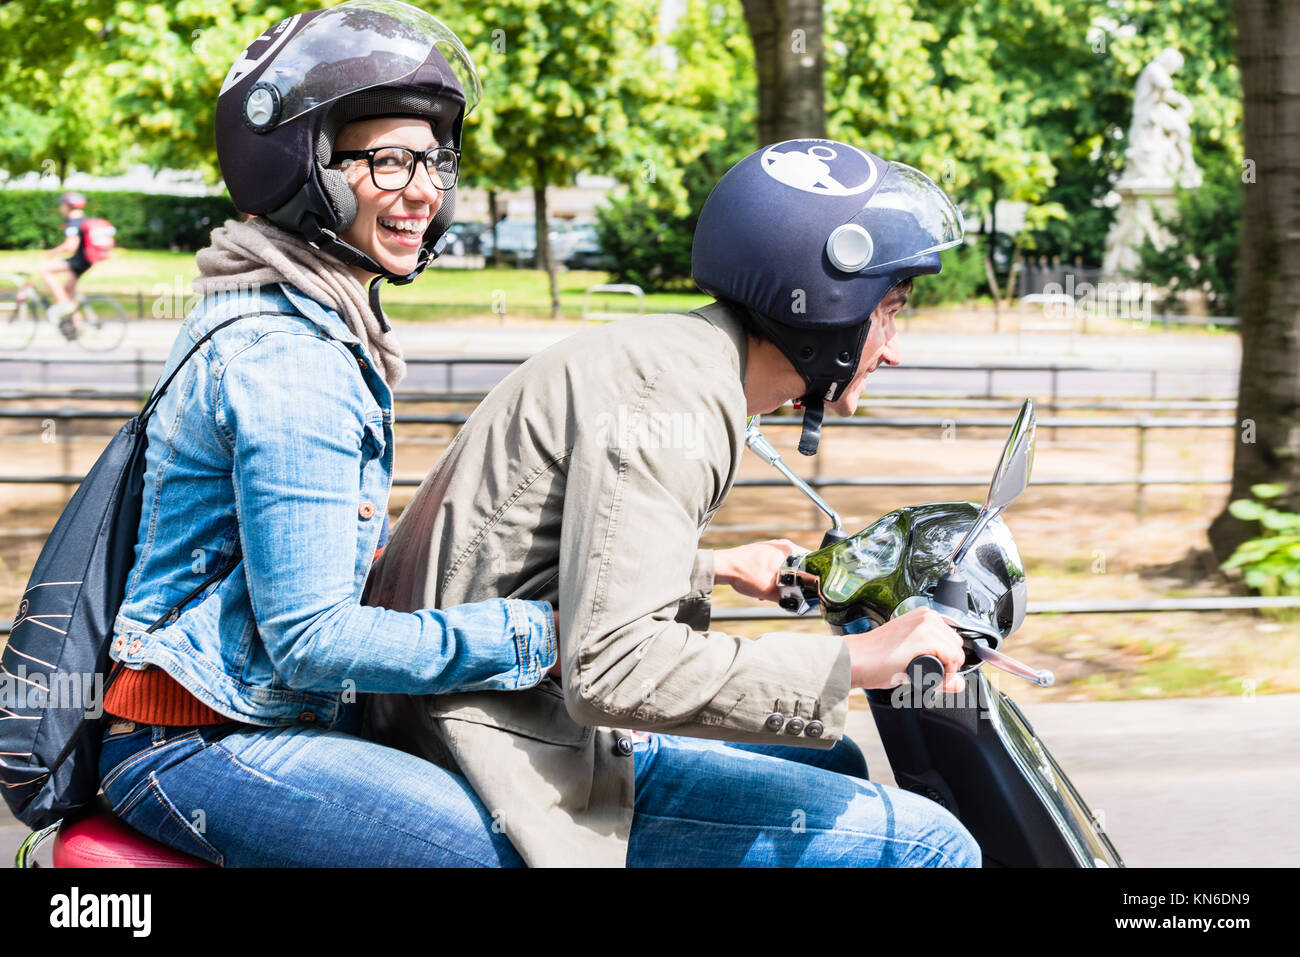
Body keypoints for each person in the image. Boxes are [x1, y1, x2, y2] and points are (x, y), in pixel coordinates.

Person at [364, 138, 981, 867]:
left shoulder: (682, 361)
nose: (894, 347)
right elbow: (614, 667)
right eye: (889, 311)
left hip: (491, 707)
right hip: (500, 743)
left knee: (832, 759)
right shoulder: (677, 404)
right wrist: (853, 661)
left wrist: (713, 567)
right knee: (933, 845)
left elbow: (556, 556)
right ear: (831, 306)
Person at [96, 1, 558, 867]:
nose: (425, 190)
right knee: (501, 847)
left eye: (434, 161)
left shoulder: (293, 316)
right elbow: (313, 640)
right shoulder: (290, 357)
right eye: (389, 160)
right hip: (197, 744)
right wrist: (541, 636)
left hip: (259, 718)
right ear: (305, 168)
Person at [39, 191, 92, 339]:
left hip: (78, 261)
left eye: (62, 205)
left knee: (45, 270)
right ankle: (78, 325)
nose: (60, 208)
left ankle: (63, 305)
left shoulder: (73, 222)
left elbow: (71, 245)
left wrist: (53, 252)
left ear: (68, 206)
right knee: (69, 291)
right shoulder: (83, 219)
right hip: (86, 261)